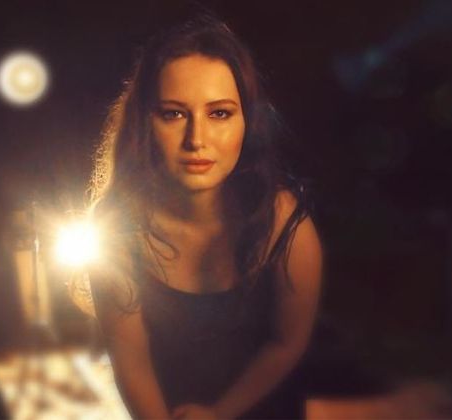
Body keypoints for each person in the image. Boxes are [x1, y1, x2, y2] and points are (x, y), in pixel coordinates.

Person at [83, 14, 322, 419]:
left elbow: (287, 344)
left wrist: (219, 413)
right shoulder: (118, 231)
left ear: (247, 122)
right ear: (145, 122)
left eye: (220, 114)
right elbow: (132, 364)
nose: (197, 139)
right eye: (174, 114)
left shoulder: (283, 222)